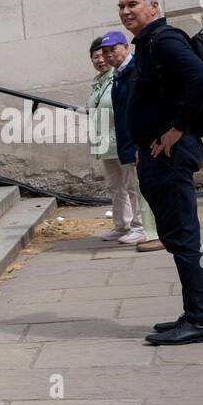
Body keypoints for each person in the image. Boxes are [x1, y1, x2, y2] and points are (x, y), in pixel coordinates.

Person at [119, 0, 203, 345]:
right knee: (180, 237)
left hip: (172, 155)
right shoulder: (149, 45)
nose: (125, 11)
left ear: (153, 7)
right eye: (122, 6)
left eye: (132, 4)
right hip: (158, 155)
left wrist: (176, 129)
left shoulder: (165, 41)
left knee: (183, 237)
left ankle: (199, 319)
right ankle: (202, 311)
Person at [105, 32, 163, 252]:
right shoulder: (119, 74)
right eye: (106, 52)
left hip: (138, 142)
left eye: (113, 50)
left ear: (125, 47)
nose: (109, 56)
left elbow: (140, 108)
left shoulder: (134, 69)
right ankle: (149, 231)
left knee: (143, 189)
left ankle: (151, 232)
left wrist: (140, 143)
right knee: (136, 188)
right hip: (129, 142)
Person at [87, 32, 144, 245]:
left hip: (122, 140)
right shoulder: (97, 82)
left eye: (105, 54)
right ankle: (122, 225)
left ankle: (139, 226)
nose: (101, 59)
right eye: (96, 56)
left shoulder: (119, 76)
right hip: (105, 143)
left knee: (132, 185)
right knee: (115, 186)